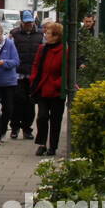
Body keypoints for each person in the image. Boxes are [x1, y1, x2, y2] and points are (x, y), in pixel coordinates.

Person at [29, 21, 67, 156]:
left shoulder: (64, 50)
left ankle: (53, 146)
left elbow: (66, 71)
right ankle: (42, 143)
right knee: (42, 117)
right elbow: (36, 64)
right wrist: (33, 79)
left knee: (56, 120)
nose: (46, 34)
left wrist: (58, 84)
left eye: (49, 33)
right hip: (43, 88)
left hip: (56, 91)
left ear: (56, 36)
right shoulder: (42, 49)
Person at [10, 10, 43, 140]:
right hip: (18, 74)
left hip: (33, 75)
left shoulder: (40, 35)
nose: (29, 24)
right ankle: (14, 127)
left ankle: (27, 129)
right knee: (17, 102)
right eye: (26, 22)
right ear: (22, 22)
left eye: (30, 22)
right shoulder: (14, 34)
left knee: (30, 104)